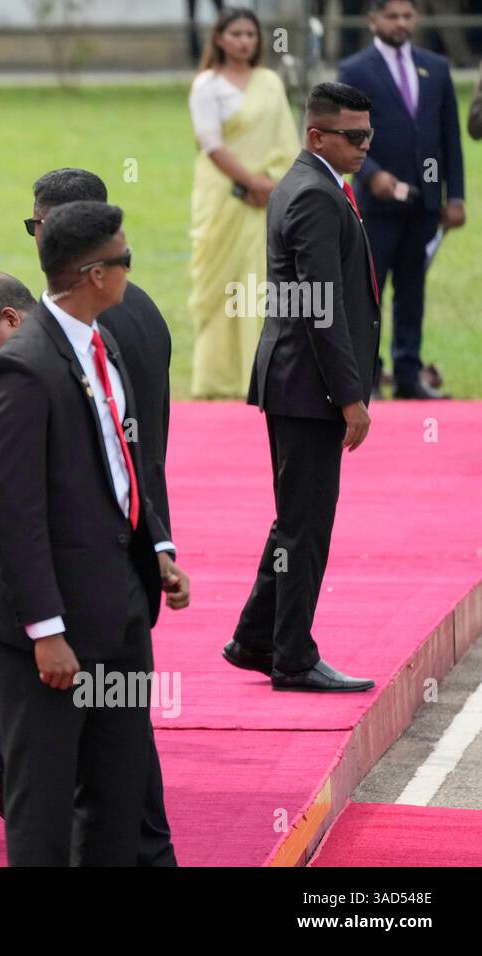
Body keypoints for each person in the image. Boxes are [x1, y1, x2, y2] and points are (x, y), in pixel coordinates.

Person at [0, 201, 166, 866]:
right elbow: (16, 510)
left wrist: (156, 546)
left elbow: (123, 459)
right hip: (49, 636)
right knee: (44, 804)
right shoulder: (22, 367)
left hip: (121, 608)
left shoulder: (102, 341)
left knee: (117, 796)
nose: (129, 272)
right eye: (124, 261)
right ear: (93, 274)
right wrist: (46, 630)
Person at [224, 82, 379, 693]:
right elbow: (321, 307)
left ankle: (256, 637)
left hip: (296, 380)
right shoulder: (314, 195)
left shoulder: (308, 184)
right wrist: (350, 396)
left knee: (295, 518)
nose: (367, 145)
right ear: (317, 136)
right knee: (307, 525)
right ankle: (292, 656)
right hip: (308, 386)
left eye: (369, 133)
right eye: (356, 135)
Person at [337, 0, 465, 400]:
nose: (401, 23)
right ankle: (368, 378)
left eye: (408, 15)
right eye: (392, 16)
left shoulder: (436, 68)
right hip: (376, 206)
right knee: (369, 292)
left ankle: (409, 375)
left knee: (413, 291)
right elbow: (344, 133)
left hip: (425, 202)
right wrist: (371, 174)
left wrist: (455, 195)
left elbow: (450, 137)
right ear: (373, 20)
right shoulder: (355, 70)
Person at [188, 7, 298, 399]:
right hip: (223, 196)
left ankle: (261, 370)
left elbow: (286, 139)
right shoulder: (207, 84)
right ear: (219, 38)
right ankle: (219, 378)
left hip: (270, 195)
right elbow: (211, 143)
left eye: (250, 35)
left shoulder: (269, 82)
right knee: (220, 282)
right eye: (235, 34)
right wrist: (251, 182)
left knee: (263, 279)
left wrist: (274, 187)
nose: (244, 41)